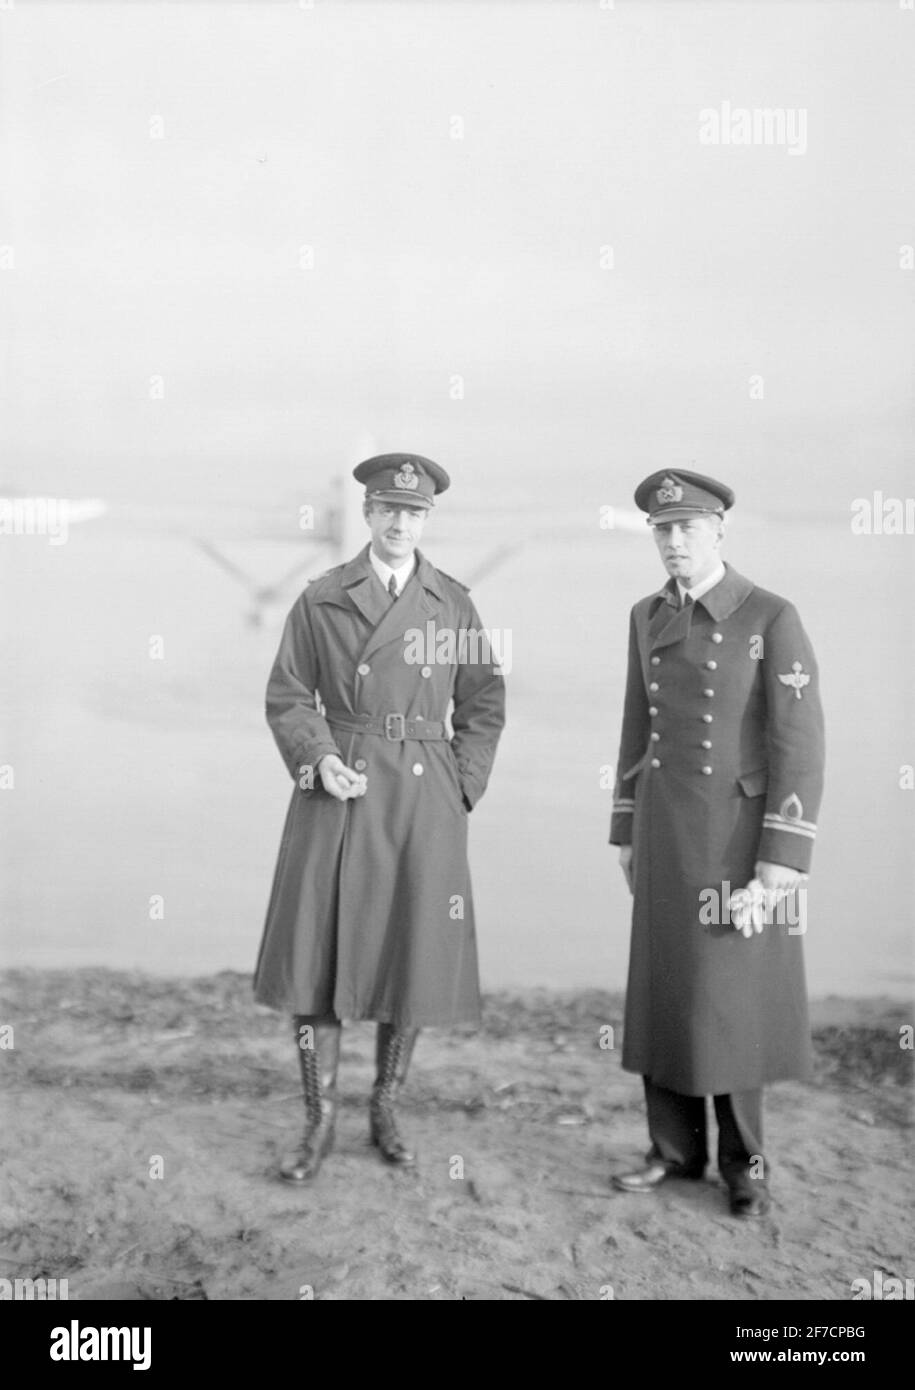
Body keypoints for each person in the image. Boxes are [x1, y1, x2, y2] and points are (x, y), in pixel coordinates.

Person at [255, 453, 505, 1182]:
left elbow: (484, 700)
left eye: (415, 512)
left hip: (423, 797)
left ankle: (385, 1107)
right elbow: (289, 694)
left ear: (427, 520)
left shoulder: (450, 602)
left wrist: (462, 784)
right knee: (315, 956)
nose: (401, 523)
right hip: (337, 789)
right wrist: (317, 757)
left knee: (413, 952)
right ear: (366, 514)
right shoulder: (323, 598)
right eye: (389, 509)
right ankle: (319, 1116)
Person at [609, 469, 825, 1217]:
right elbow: (636, 726)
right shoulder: (644, 616)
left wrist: (780, 860)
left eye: (687, 529)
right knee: (666, 988)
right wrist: (624, 829)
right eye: (662, 530)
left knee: (730, 1000)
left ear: (718, 532)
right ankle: (673, 1151)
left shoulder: (770, 617)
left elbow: (798, 744)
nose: (673, 541)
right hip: (665, 832)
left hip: (736, 840)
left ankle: (745, 1165)